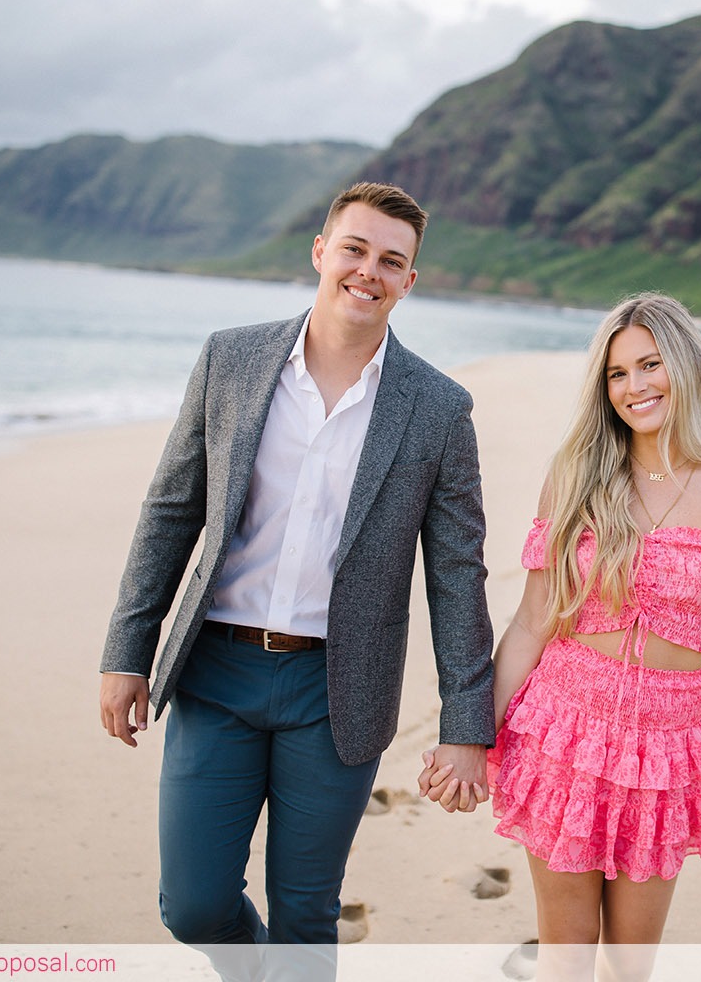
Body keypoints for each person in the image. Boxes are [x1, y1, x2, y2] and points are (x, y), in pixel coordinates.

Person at [99, 182, 495, 982]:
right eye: (355, 249)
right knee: (194, 906)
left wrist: (466, 725)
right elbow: (171, 510)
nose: (368, 271)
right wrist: (126, 652)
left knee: (307, 913)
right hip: (216, 672)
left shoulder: (438, 408)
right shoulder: (231, 360)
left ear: (409, 281)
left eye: (391, 261)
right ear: (321, 252)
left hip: (337, 691)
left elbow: (457, 574)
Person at [424, 292, 701, 981]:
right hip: (562, 732)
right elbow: (533, 621)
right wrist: (470, 735)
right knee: (567, 955)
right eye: (617, 374)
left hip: (665, 754)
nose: (634, 387)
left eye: (650, 365)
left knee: (630, 966)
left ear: (686, 366)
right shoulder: (577, 475)